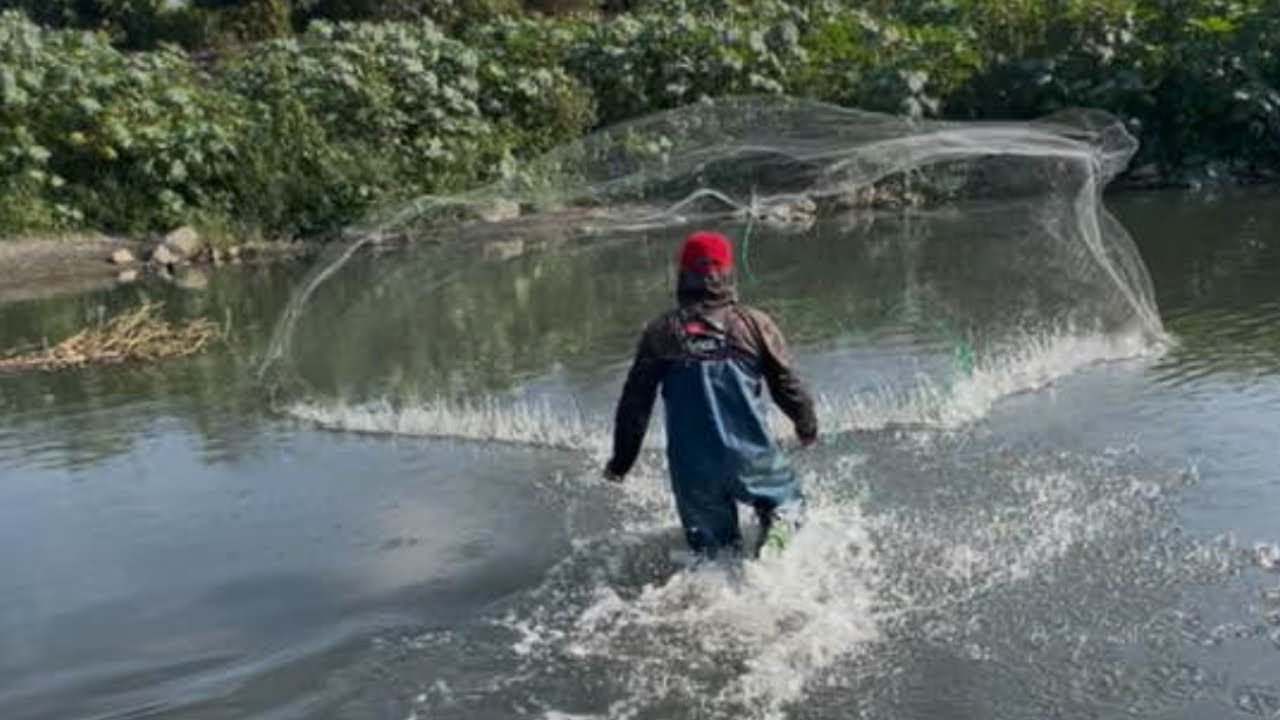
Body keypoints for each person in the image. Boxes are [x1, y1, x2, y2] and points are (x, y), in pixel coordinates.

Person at [603, 230, 819, 559]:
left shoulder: (661, 332)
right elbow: (788, 385)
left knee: (713, 556)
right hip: (753, 458)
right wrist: (806, 426)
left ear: (682, 276)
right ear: (728, 274)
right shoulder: (754, 324)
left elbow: (635, 407)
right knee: (787, 503)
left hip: (694, 470)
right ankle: (776, 536)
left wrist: (620, 463)